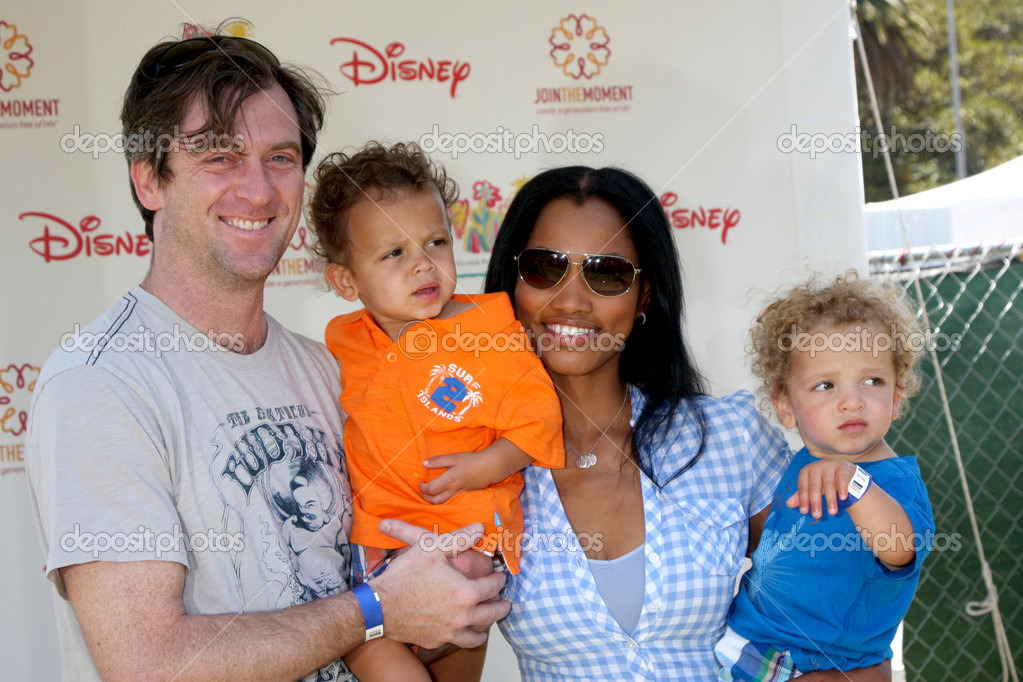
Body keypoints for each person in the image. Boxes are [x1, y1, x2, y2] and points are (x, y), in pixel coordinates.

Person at [25, 28, 508, 682]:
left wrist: (455, 594)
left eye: (280, 157)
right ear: (149, 181)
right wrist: (376, 609)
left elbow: (426, 612)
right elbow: (146, 664)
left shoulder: (333, 370)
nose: (258, 190)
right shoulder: (100, 386)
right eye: (220, 156)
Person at [483, 165, 895, 681]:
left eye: (607, 272)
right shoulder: (477, 468)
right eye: (545, 267)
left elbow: (844, 596)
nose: (571, 299)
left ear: (645, 297)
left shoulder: (729, 436)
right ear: (511, 283)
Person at [307, 141, 566, 681]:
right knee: (370, 648)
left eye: (435, 242)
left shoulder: (490, 333)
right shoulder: (345, 342)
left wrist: (487, 465)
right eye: (393, 253)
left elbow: (539, 419)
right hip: (380, 536)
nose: (423, 264)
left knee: (458, 638)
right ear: (345, 281)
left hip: (466, 537)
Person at [715, 273, 935, 680]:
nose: (852, 401)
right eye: (825, 385)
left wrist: (854, 483)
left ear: (897, 398)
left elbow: (901, 548)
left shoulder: (893, 480)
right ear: (785, 407)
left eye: (872, 381)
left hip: (813, 663)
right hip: (750, 644)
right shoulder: (797, 463)